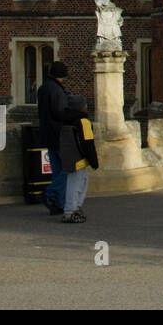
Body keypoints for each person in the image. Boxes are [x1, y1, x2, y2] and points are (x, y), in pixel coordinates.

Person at [36, 60, 73, 216]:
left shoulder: (43, 88)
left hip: (46, 133)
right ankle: (50, 193)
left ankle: (57, 204)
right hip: (58, 134)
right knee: (68, 170)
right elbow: (59, 113)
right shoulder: (57, 91)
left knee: (57, 170)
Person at [58, 93, 96, 223]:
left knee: (76, 182)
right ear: (81, 107)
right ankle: (71, 211)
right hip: (79, 158)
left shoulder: (65, 120)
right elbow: (88, 143)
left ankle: (73, 209)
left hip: (69, 156)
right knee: (77, 185)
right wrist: (94, 161)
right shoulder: (83, 122)